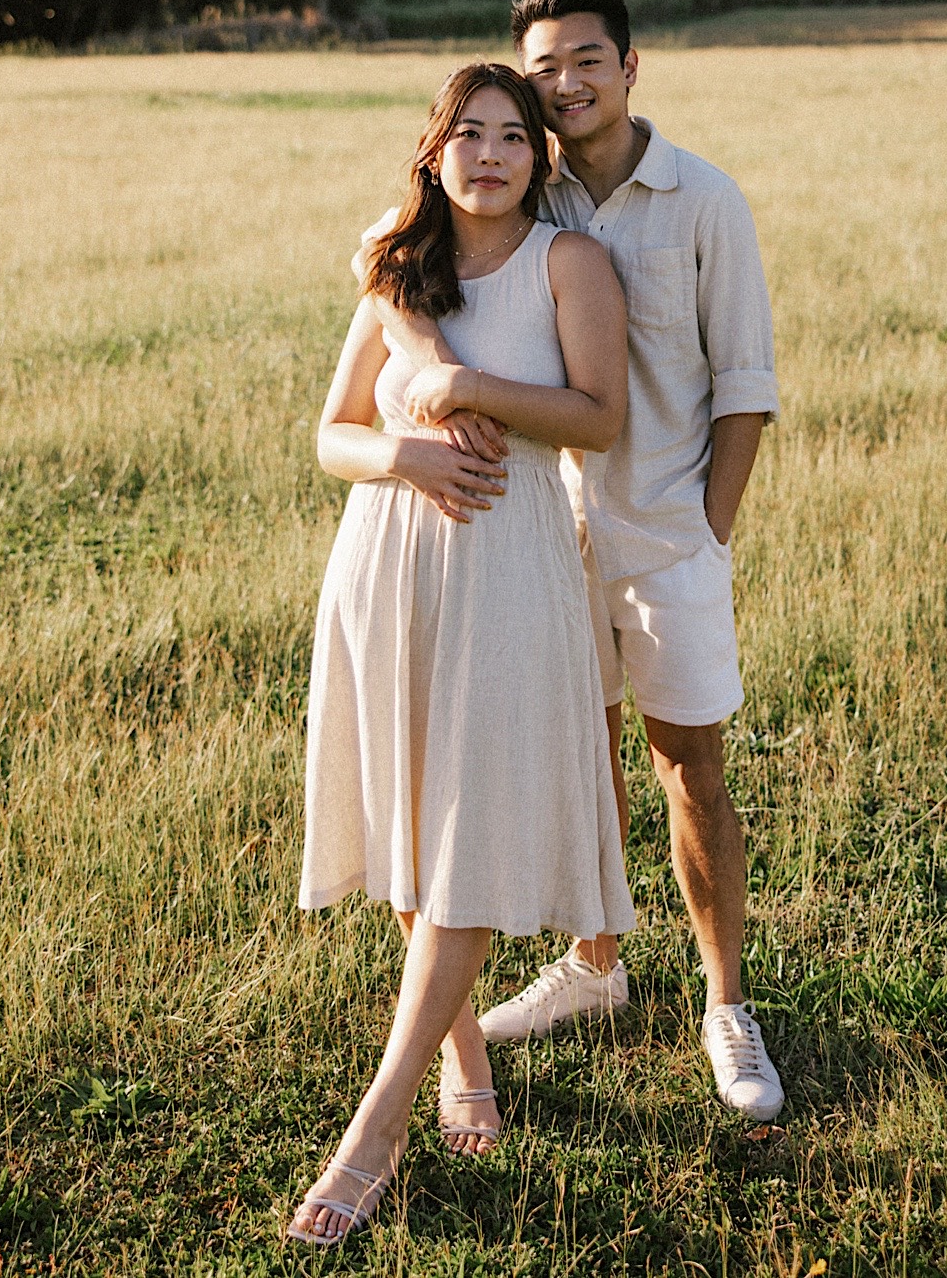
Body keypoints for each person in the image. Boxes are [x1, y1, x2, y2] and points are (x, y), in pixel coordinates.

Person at [376, 0, 784, 1121]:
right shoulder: (524, 195)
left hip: (667, 536)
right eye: (544, 66)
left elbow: (745, 387)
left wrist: (711, 533)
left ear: (630, 65)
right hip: (541, 541)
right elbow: (394, 248)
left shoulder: (704, 200)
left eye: (585, 61)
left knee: (687, 766)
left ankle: (725, 1005)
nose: (565, 83)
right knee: (579, 759)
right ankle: (596, 968)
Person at [289, 61, 635, 1247]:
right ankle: (464, 1056)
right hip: (388, 559)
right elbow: (333, 433)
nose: (489, 154)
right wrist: (410, 454)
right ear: (433, 153)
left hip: (509, 561)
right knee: (410, 819)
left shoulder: (568, 264)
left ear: (541, 157)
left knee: (468, 828)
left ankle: (375, 1127)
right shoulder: (402, 268)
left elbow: (599, 415)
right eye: (466, 135)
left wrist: (460, 384)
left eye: (512, 136)